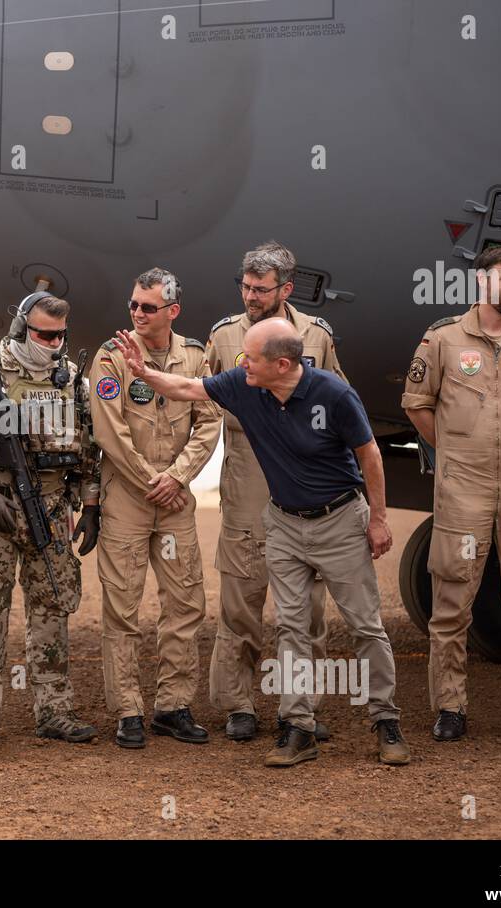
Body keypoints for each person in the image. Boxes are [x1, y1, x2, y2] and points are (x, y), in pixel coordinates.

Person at [112, 317, 411, 767]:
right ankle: (298, 728)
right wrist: (144, 373)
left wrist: (379, 520)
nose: (240, 364)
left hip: (340, 521)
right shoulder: (244, 384)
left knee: (365, 626)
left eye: (251, 358)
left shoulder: (334, 395)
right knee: (291, 628)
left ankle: (386, 721)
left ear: (283, 363)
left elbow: (369, 454)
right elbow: (189, 388)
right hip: (285, 525)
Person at [401, 245, 501, 743]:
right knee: (453, 598)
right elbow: (417, 403)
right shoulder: (444, 338)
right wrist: (455, 450)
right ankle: (450, 707)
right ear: (481, 283)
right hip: (463, 485)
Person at [207, 241, 346, 742]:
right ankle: (238, 705)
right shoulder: (224, 337)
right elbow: (204, 406)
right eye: (245, 287)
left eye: (261, 289)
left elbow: (338, 404)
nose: (250, 296)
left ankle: (300, 708)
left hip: (305, 490)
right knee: (241, 603)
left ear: (285, 289)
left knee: (306, 610)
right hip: (247, 488)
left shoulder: (316, 335)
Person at [0, 292, 100, 744]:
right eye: (42, 334)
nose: (52, 343)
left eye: (59, 335)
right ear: (19, 327)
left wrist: (90, 504)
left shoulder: (70, 379)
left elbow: (90, 448)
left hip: (52, 510)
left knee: (52, 607)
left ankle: (54, 711)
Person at [91, 268, 221, 750]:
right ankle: (128, 709)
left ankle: (173, 706)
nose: (138, 313)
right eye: (134, 305)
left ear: (173, 310)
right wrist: (155, 480)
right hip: (129, 497)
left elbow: (210, 420)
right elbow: (110, 432)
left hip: (176, 499)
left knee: (185, 603)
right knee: (122, 606)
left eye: (148, 307)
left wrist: (179, 477)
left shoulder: (195, 357)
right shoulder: (112, 358)